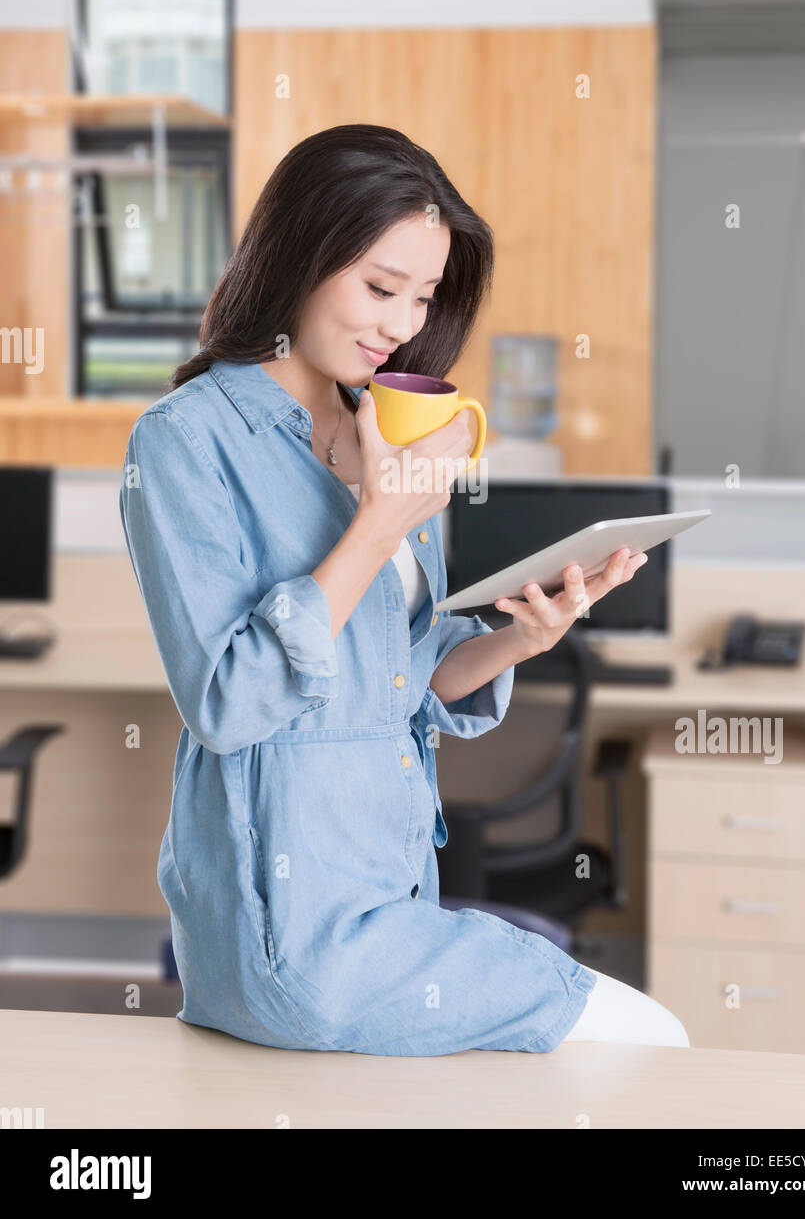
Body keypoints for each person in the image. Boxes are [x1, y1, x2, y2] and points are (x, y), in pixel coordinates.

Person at [120, 122, 688, 1055]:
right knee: (648, 1035)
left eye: (422, 298)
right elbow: (228, 702)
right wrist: (378, 519)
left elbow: (402, 684)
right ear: (298, 257)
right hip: (291, 939)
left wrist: (519, 637)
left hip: (393, 895)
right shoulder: (185, 441)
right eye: (380, 288)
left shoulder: (392, 428)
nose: (401, 324)